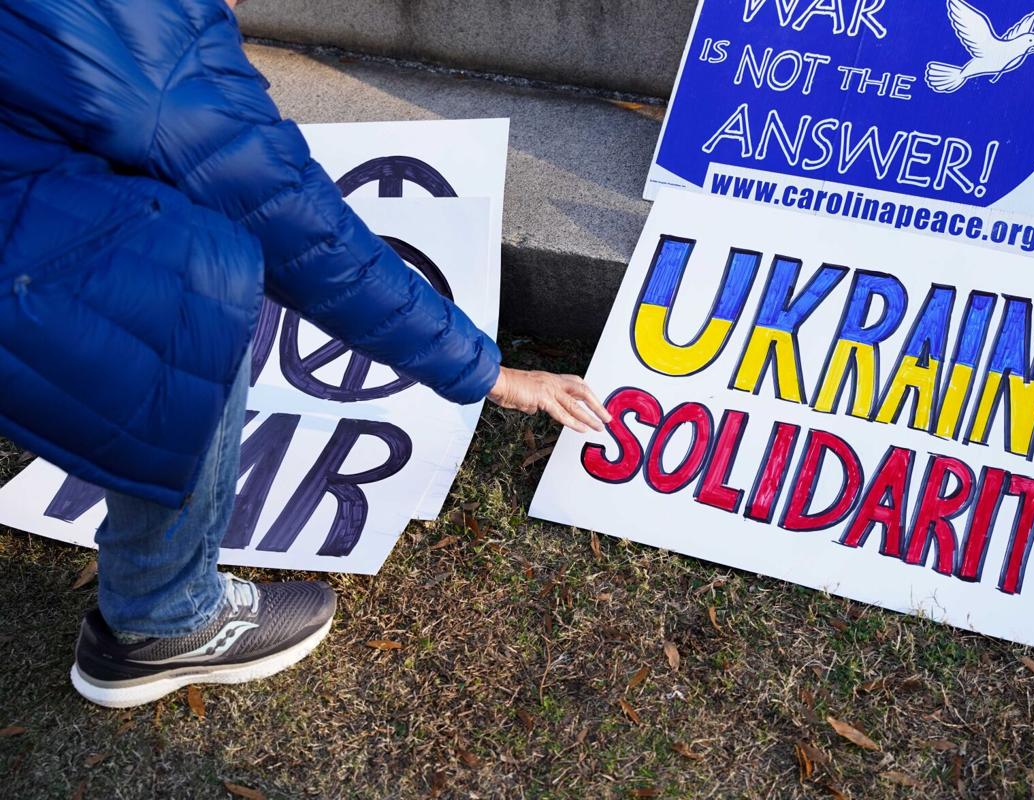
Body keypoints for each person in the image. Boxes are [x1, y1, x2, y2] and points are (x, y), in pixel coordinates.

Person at [0, 0, 611, 708]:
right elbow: (311, 244)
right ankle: (162, 619)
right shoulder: (156, 39)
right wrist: (491, 373)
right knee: (188, 282)